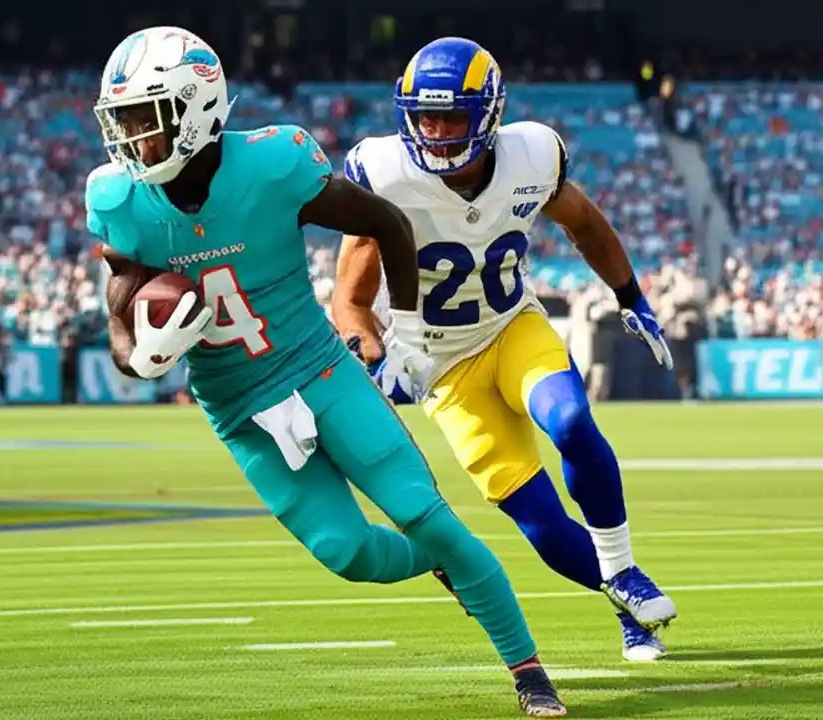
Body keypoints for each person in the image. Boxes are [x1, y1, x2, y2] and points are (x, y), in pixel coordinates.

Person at [86, 26, 564, 716]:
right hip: (238, 406)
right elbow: (120, 311)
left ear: (195, 107)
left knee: (423, 513)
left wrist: (406, 331)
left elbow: (389, 224)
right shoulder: (118, 198)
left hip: (318, 368)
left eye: (145, 118)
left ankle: (528, 671)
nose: (133, 139)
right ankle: (445, 564)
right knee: (346, 551)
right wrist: (138, 356)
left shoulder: (272, 164)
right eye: (124, 121)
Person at [332, 36, 676, 663]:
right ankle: (624, 603)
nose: (435, 132)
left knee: (570, 421)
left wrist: (632, 297)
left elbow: (586, 224)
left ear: (488, 114)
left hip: (512, 326)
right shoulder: (384, 173)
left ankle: (624, 568)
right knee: (543, 526)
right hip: (442, 367)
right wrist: (379, 358)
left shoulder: (531, 155)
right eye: (424, 117)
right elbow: (350, 302)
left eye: (451, 118)